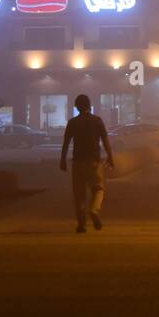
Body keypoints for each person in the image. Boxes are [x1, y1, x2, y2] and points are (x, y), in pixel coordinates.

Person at [59, 94, 115, 232]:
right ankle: (94, 209)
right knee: (98, 189)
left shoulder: (72, 122)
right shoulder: (97, 121)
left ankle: (81, 225)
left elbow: (66, 143)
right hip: (94, 161)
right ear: (89, 105)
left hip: (77, 162)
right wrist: (110, 157)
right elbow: (105, 141)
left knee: (79, 195)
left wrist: (63, 160)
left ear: (77, 107)